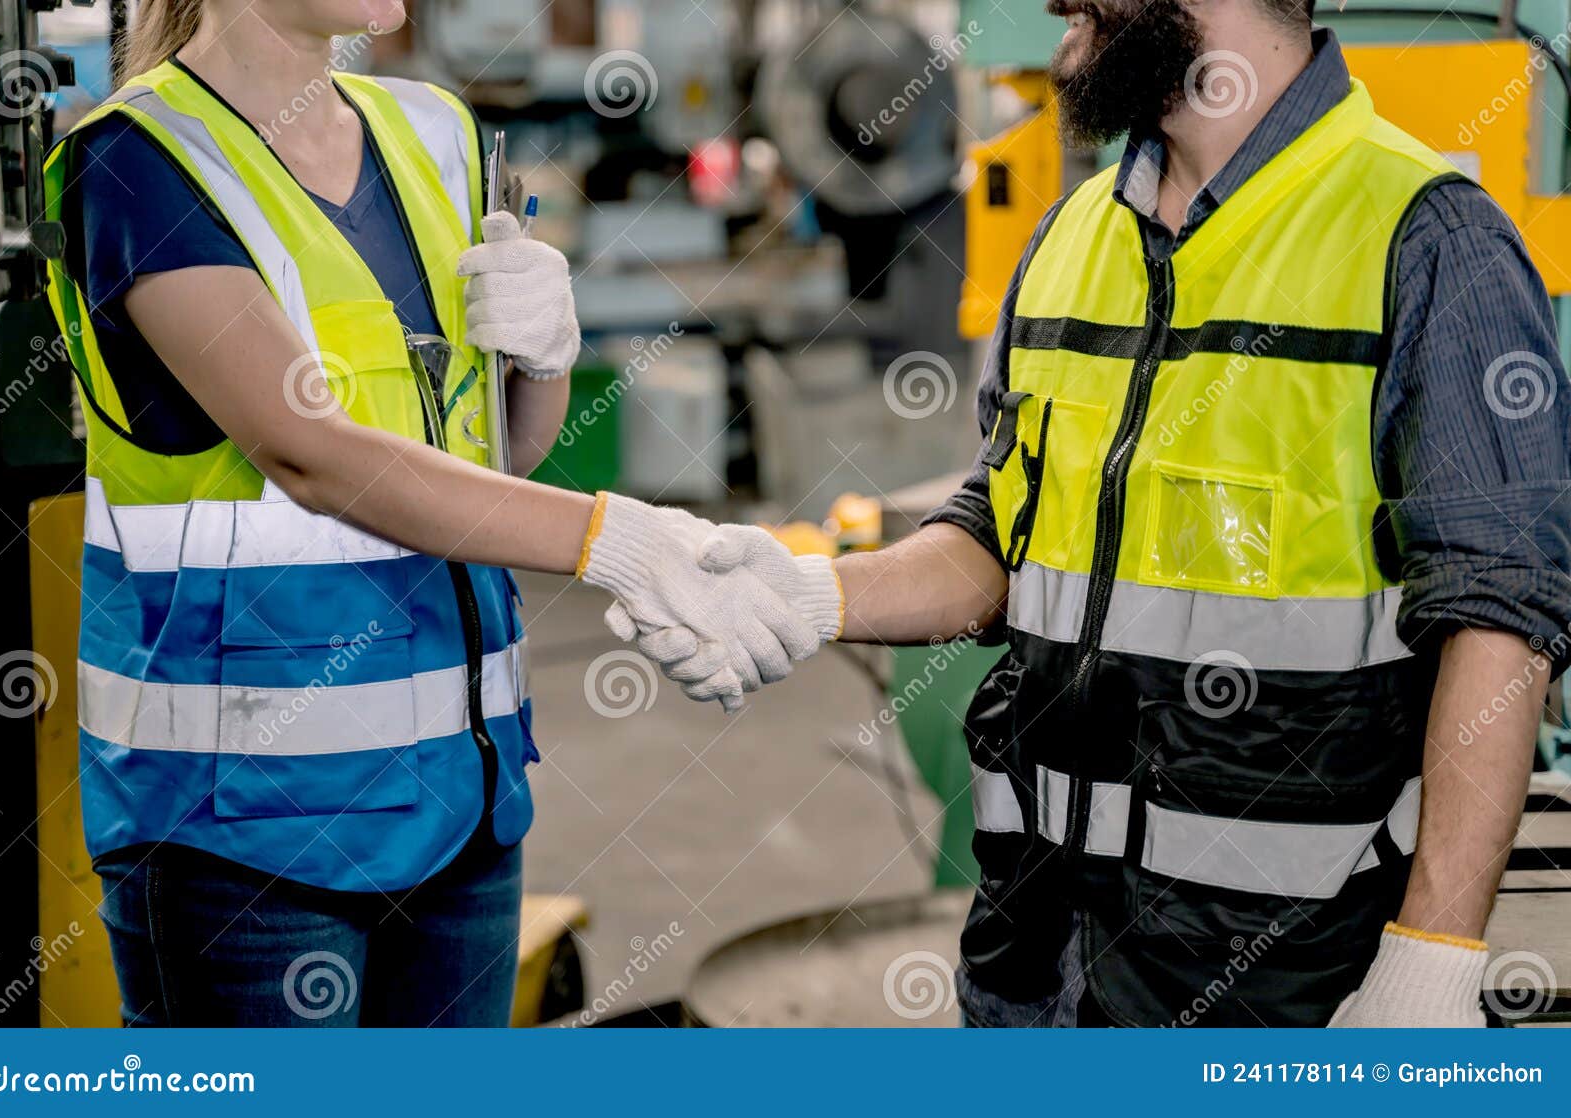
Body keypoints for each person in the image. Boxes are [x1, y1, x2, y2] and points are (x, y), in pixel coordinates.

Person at [647, 0, 1571, 1026]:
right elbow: (1002, 531)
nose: (1053, 3)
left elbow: (1501, 615)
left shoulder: (1428, 238)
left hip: (1276, 990)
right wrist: (811, 593)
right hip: (1033, 957)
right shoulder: (1071, 233)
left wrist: (1430, 961)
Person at [47, 0, 835, 1026]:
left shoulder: (434, 134)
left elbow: (494, 457)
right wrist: (619, 541)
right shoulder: (139, 159)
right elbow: (310, 452)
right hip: (242, 828)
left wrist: (544, 359)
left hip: (461, 805)